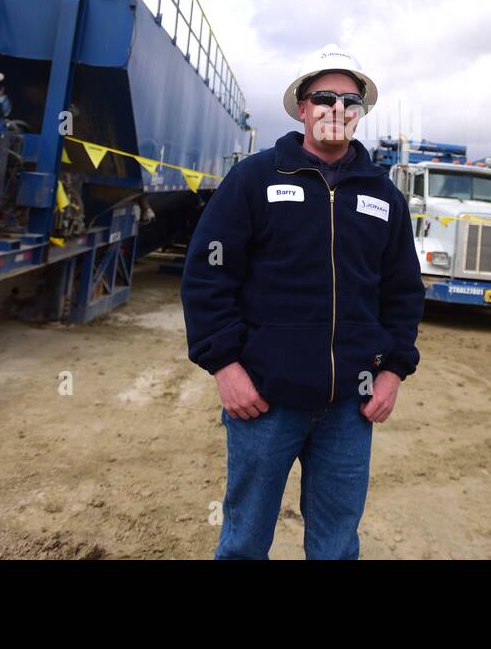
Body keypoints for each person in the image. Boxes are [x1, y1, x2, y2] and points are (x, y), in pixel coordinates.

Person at [181, 43, 424, 559]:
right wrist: (225, 365)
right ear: (302, 106)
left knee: (336, 548)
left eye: (349, 100)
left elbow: (402, 293)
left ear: (360, 112)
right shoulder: (256, 178)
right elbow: (208, 275)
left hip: (349, 409)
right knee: (244, 542)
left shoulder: (384, 196)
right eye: (323, 96)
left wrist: (392, 371)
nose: (336, 108)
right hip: (264, 402)